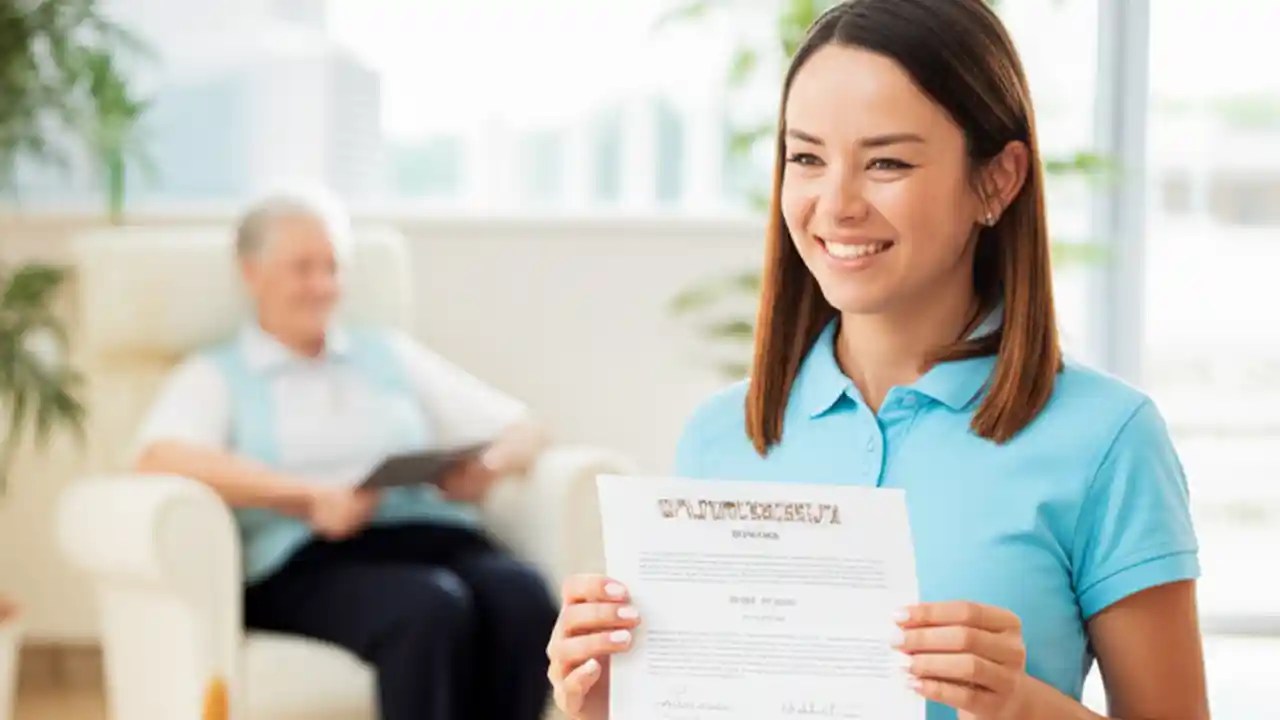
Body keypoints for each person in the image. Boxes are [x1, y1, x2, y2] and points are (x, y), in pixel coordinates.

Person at [546, 1, 1208, 719]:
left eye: (886, 162)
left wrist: (1019, 705)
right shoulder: (722, 435)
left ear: (998, 180)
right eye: (806, 158)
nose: (836, 204)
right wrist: (609, 704)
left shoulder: (1107, 439)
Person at [134, 190, 558, 720]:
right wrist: (307, 496)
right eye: (302, 268)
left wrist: (487, 468)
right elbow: (161, 456)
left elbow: (523, 427)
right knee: (428, 607)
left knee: (522, 595)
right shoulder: (218, 374)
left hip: (427, 533)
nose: (323, 286)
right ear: (251, 273)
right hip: (306, 560)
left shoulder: (385, 353)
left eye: (332, 268)